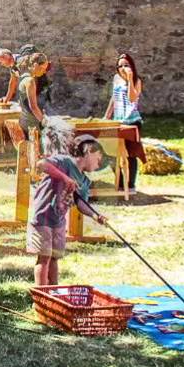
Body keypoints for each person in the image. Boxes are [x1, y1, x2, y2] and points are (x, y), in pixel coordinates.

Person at [28, 118, 108, 285]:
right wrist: (65, 178)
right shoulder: (64, 162)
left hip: (58, 221)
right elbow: (41, 164)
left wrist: (95, 215)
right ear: (89, 151)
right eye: (98, 158)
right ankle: (42, 295)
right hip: (43, 215)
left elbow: (81, 204)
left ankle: (54, 292)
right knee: (44, 257)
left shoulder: (85, 181)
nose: (99, 164)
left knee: (55, 257)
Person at [103, 52, 144, 193]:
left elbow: (133, 98)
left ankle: (130, 184)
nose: (123, 68)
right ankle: (120, 182)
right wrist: (106, 117)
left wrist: (130, 79)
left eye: (126, 65)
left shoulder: (137, 81)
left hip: (132, 121)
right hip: (117, 121)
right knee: (111, 153)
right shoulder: (116, 79)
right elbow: (113, 99)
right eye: (120, 66)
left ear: (132, 66)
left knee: (130, 154)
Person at [17, 53, 50, 145]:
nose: (44, 72)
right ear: (35, 65)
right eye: (43, 68)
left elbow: (21, 102)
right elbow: (33, 107)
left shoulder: (22, 78)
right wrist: (45, 122)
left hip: (24, 121)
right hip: (32, 124)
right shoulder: (30, 81)